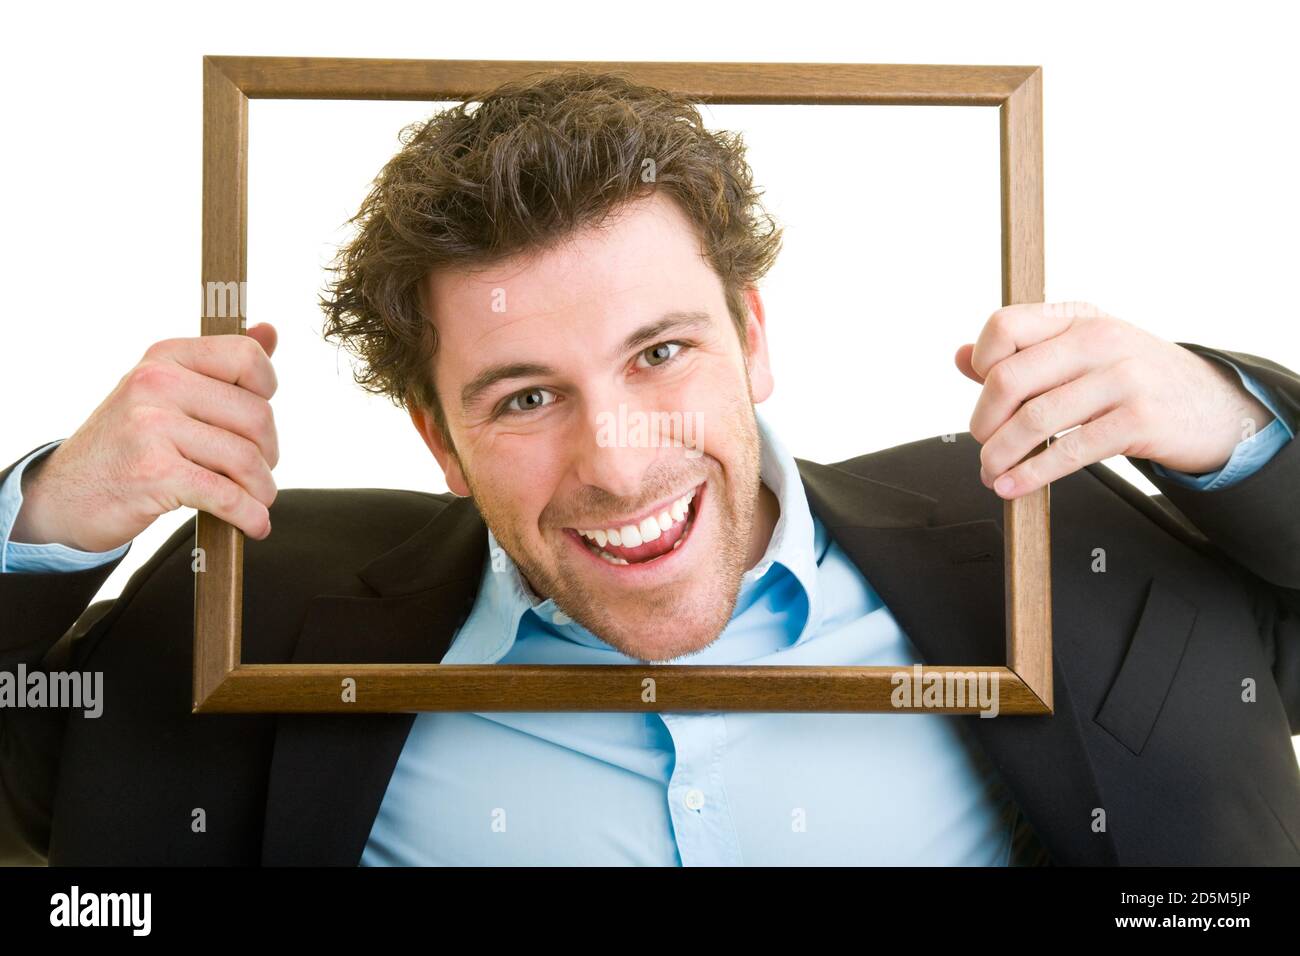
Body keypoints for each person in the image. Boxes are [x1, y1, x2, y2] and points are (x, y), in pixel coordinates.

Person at [2, 70, 1297, 865]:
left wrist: (1235, 429)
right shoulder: (252, 603)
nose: (617, 462)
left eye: (661, 352)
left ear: (752, 337)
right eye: (525, 396)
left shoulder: (1044, 528)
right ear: (436, 439)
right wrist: (43, 522)